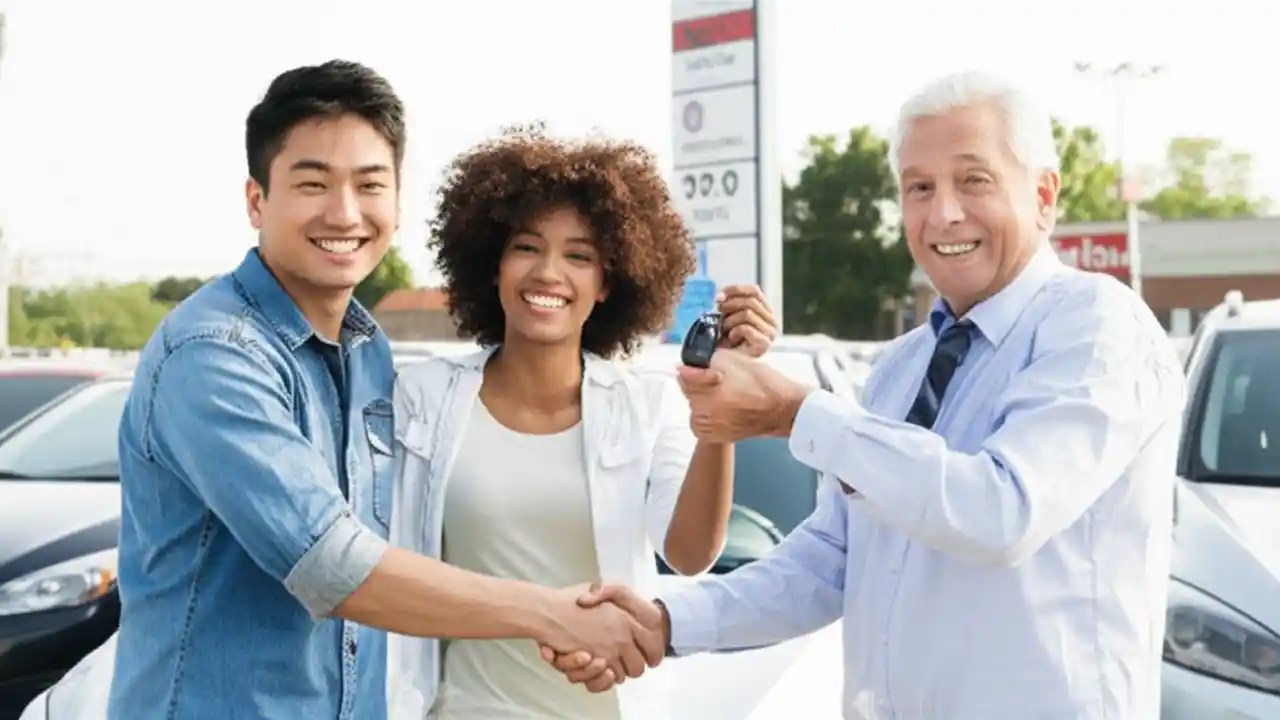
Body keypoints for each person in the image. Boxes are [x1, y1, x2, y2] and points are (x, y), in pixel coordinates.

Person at [546, 70, 1187, 718]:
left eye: (974, 180)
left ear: (1044, 195)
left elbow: (1002, 510)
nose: (944, 214)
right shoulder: (901, 368)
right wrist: (664, 621)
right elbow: (829, 561)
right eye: (919, 188)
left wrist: (796, 412)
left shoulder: (1097, 328)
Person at [107, 61, 663, 720]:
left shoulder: (369, 354)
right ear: (257, 200)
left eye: (369, 184)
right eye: (312, 183)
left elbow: (418, 542)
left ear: (397, 203)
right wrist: (551, 614)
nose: (344, 212)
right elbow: (332, 564)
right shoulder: (213, 355)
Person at [384, 126, 779, 720]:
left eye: (579, 255)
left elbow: (691, 552)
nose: (548, 273)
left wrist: (718, 406)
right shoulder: (423, 397)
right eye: (525, 246)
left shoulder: (646, 405)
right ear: (492, 265)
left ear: (607, 283)